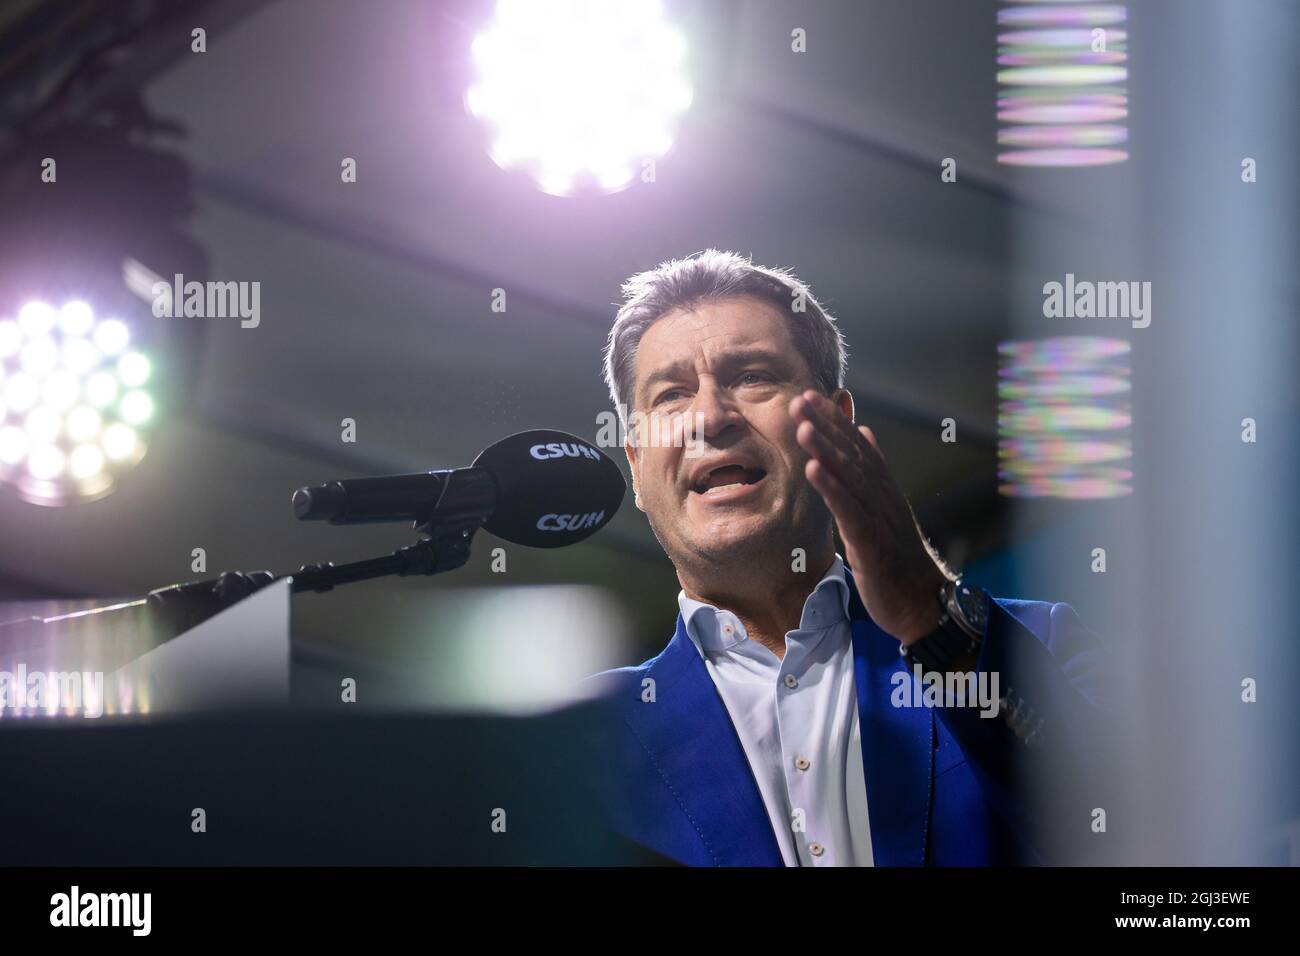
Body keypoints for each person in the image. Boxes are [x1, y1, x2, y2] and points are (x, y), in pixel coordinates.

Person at [586, 249, 1110, 866]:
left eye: (751, 376)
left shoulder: (1041, 643)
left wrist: (934, 624)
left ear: (838, 423)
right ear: (636, 471)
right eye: (671, 394)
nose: (710, 415)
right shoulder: (582, 742)